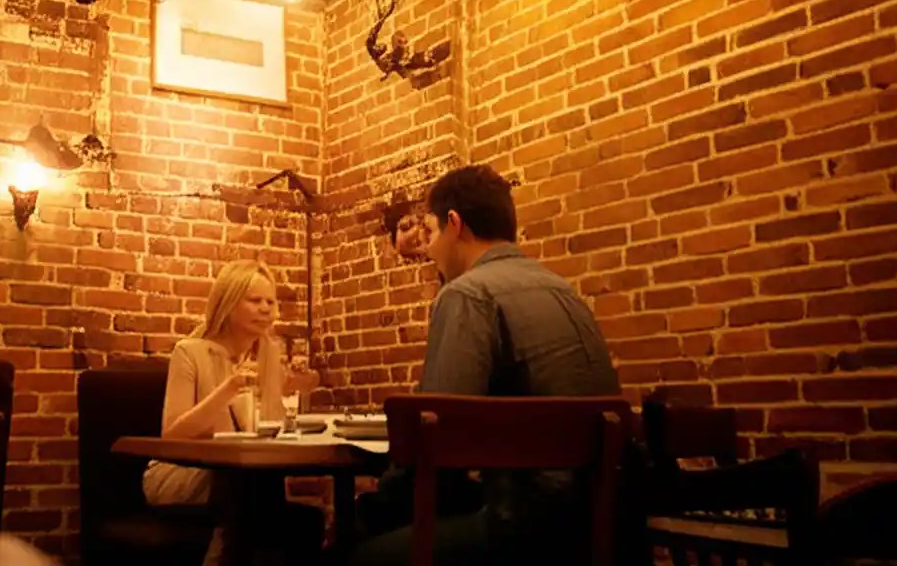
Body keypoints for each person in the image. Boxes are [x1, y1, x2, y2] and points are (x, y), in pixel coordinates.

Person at [352, 164, 621, 566]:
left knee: (359, 549)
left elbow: (437, 441)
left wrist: (376, 504)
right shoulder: (564, 291)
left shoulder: (468, 294)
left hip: (526, 531)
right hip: (604, 525)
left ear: (455, 224)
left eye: (431, 232)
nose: (429, 249)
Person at [144, 259, 322, 566]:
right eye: (255, 300)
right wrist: (229, 388)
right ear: (228, 303)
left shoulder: (268, 356)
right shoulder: (190, 352)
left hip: (242, 478)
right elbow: (172, 434)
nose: (266, 309)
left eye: (271, 302)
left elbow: (271, 433)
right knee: (244, 485)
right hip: (180, 473)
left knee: (303, 520)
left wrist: (294, 387)